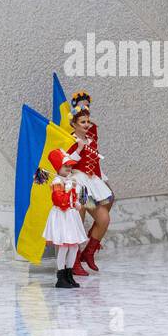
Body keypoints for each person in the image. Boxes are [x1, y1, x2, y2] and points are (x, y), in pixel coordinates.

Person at [69, 104, 112, 275]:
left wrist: (101, 183)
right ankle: (73, 260)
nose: (86, 124)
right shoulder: (69, 140)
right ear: (74, 124)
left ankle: (89, 252)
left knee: (104, 219)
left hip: (92, 184)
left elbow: (95, 165)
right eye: (82, 122)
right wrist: (78, 148)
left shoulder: (91, 141)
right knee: (77, 223)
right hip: (79, 186)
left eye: (88, 121)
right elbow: (65, 164)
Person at [44, 148, 86, 289]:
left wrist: (76, 202)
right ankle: (61, 276)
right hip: (61, 216)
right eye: (65, 166)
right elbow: (59, 201)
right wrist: (69, 190)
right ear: (58, 167)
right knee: (63, 246)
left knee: (74, 246)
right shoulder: (57, 182)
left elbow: (72, 200)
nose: (69, 168)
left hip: (71, 216)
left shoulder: (69, 180)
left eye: (70, 166)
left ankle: (69, 274)